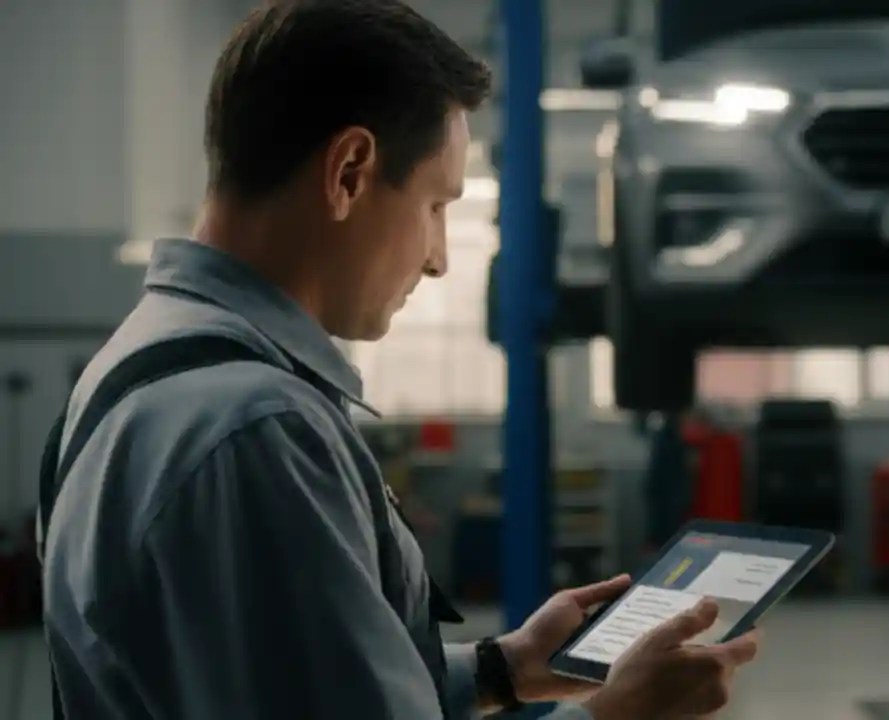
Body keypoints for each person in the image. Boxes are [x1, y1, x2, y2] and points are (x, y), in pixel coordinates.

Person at [39, 1, 760, 718]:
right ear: (349, 172)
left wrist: (501, 670)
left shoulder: (137, 367)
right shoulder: (253, 429)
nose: (440, 259)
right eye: (437, 206)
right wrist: (616, 715)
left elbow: (284, 682)